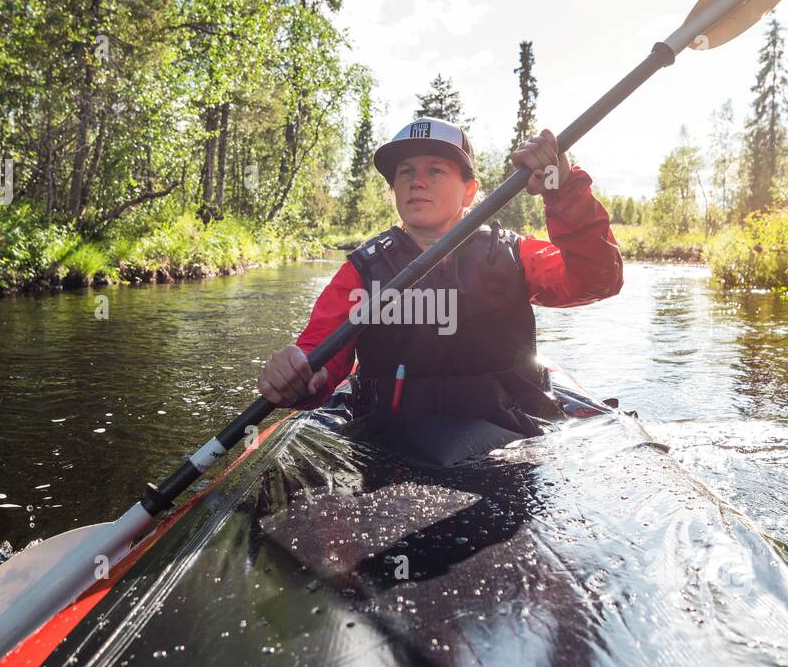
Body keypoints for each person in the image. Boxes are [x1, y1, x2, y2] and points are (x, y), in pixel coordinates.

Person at [258, 115, 622, 437]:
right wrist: (301, 375)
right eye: (406, 172)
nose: (417, 182)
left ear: (469, 190)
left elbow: (598, 278)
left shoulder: (514, 254)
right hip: (391, 447)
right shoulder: (362, 270)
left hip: (510, 443)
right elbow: (318, 354)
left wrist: (563, 188)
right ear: (396, 190)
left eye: (435, 170)